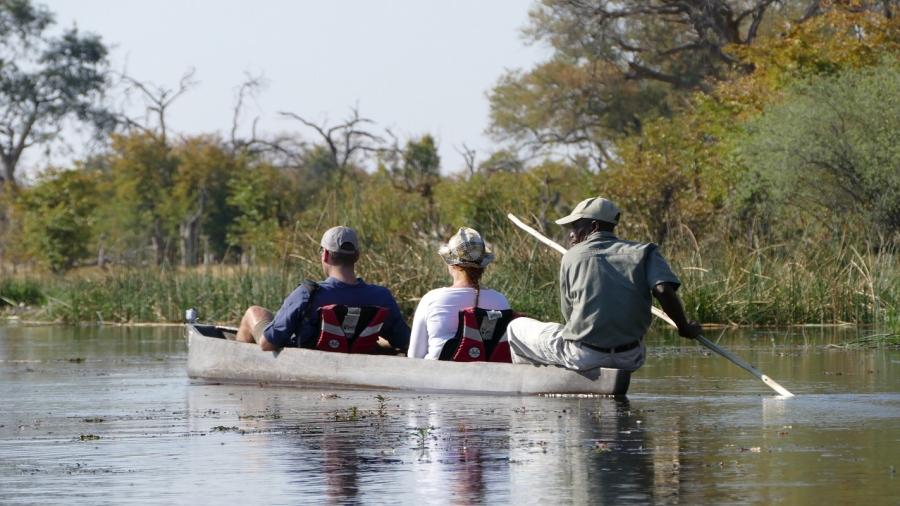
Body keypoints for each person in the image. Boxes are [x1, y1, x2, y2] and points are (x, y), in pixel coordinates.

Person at [505, 197, 701, 371]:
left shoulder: (571, 257)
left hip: (585, 357)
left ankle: (534, 385)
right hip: (631, 357)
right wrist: (683, 327)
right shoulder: (645, 251)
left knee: (516, 328)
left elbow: (569, 315)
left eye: (575, 228)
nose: (572, 235)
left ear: (594, 226)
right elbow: (663, 289)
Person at [235, 226, 410, 352]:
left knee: (254, 311)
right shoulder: (381, 296)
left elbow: (268, 345)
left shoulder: (308, 293)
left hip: (311, 361)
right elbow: (405, 342)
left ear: (325, 254)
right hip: (357, 357)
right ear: (357, 257)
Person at [408, 227, 511, 359]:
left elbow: (415, 356)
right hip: (485, 377)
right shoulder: (500, 301)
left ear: (452, 264)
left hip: (436, 376)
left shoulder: (431, 299)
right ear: (483, 266)